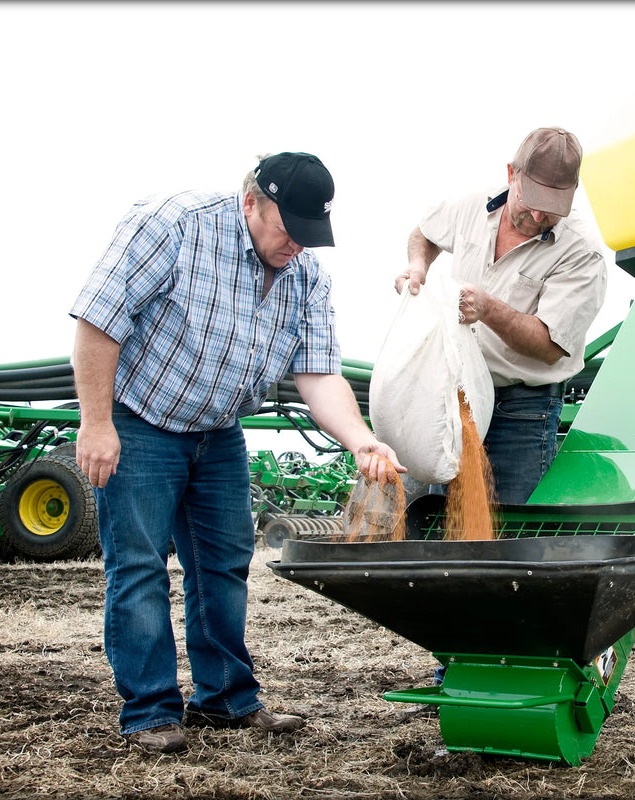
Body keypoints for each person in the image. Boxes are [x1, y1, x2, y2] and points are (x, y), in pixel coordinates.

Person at [70, 152, 405, 754]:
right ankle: (150, 713)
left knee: (223, 562)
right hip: (140, 421)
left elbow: (318, 373)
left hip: (218, 430)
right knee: (141, 565)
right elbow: (98, 322)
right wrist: (96, 424)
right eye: (289, 231)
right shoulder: (174, 226)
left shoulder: (307, 274)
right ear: (252, 202)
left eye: (310, 236)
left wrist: (361, 440)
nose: (298, 248)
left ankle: (224, 699)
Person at [395, 127, 607, 504]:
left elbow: (548, 347)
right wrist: (417, 267)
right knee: (432, 516)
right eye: (532, 200)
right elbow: (423, 234)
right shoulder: (470, 206)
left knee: (508, 532)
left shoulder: (582, 253)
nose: (540, 214)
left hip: (522, 409)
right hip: (452, 390)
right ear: (512, 175)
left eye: (553, 207)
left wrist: (488, 309)